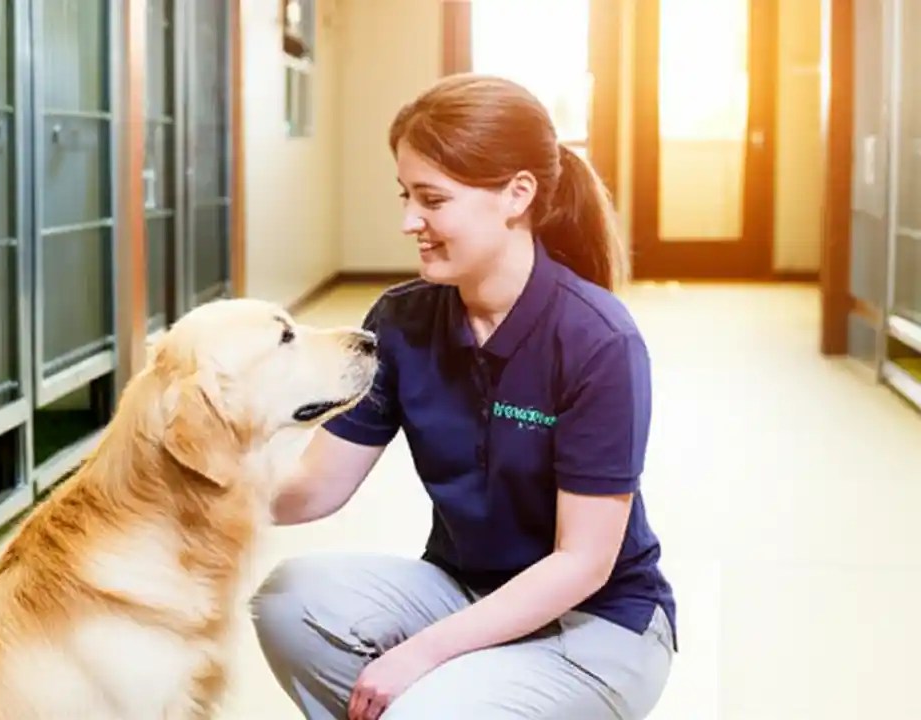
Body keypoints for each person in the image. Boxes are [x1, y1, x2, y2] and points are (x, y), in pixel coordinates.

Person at [249, 74, 677, 720]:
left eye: (432, 199)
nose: (408, 221)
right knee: (288, 603)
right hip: (466, 590)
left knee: (426, 709)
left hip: (595, 627)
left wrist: (422, 655)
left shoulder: (598, 341)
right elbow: (317, 486)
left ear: (517, 195)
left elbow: (583, 563)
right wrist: (192, 492)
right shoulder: (402, 323)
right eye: (406, 196)